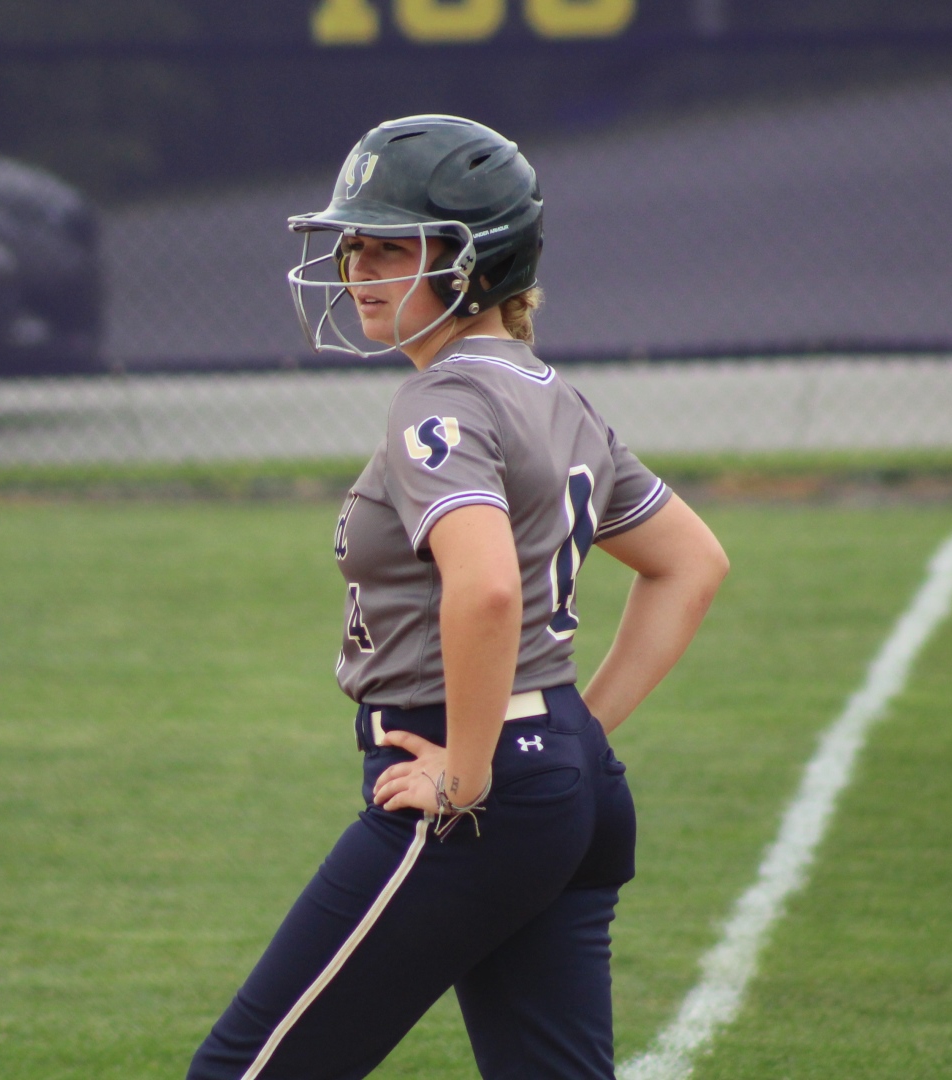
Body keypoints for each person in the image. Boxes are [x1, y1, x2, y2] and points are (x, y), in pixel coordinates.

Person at [187, 114, 730, 1080]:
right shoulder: (553, 395)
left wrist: (468, 771)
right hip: (557, 776)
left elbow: (482, 591)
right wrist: (574, 733)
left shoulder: (441, 404)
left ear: (474, 264)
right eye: (354, 245)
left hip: (476, 788)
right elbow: (692, 563)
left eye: (392, 246)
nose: (358, 269)